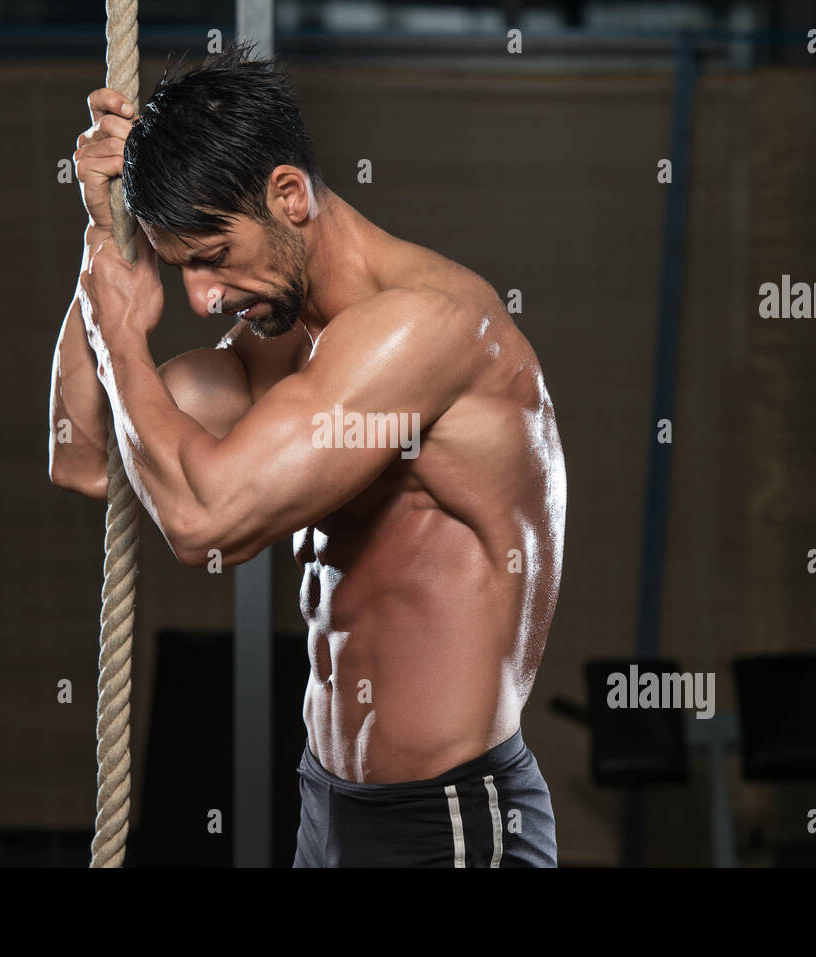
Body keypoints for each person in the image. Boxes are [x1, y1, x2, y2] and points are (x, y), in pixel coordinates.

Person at [49, 42, 565, 867]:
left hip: (447, 824)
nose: (202, 297)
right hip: (328, 804)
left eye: (212, 258)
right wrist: (98, 237)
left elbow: (203, 521)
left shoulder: (421, 329)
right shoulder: (287, 342)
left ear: (289, 195)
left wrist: (120, 339)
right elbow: (83, 452)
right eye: (180, 268)